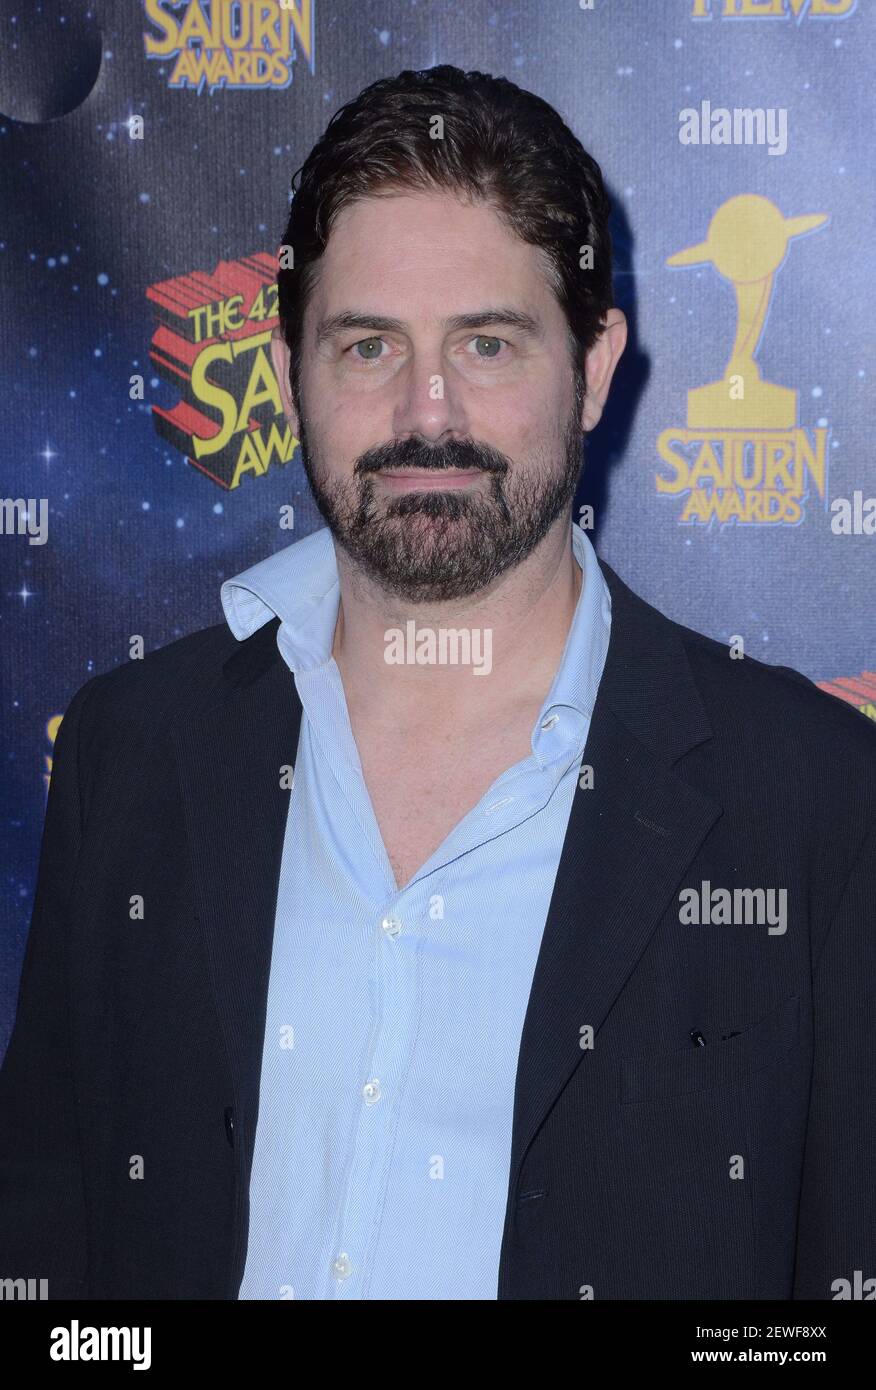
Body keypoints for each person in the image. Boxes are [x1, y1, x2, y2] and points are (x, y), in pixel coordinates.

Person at [1, 65, 874, 1302]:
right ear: (291, 366)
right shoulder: (128, 748)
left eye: (487, 342)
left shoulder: (813, 800)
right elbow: (48, 1250)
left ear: (595, 366)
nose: (428, 413)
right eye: (368, 345)